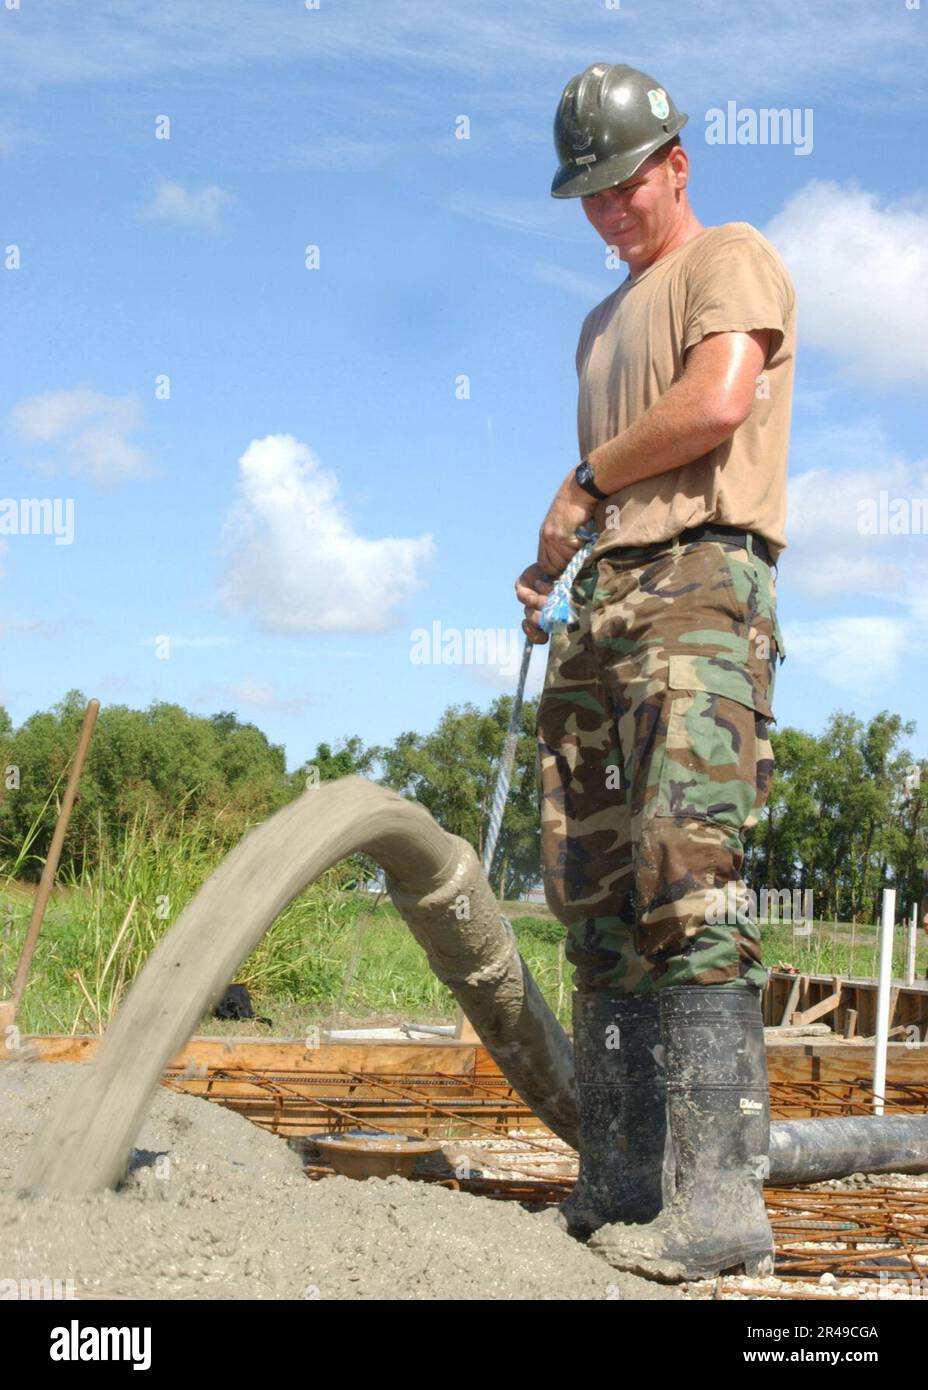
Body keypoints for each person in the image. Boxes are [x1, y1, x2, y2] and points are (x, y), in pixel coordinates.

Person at [515, 61, 795, 1282]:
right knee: (598, 895)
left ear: (673, 163)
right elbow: (612, 485)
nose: (611, 210)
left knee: (687, 878)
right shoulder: (596, 323)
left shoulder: (725, 255)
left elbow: (714, 403)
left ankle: (720, 1199)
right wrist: (551, 569)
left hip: (697, 588)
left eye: (626, 183)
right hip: (606, 599)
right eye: (590, 192)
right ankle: (621, 1182)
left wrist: (582, 485)